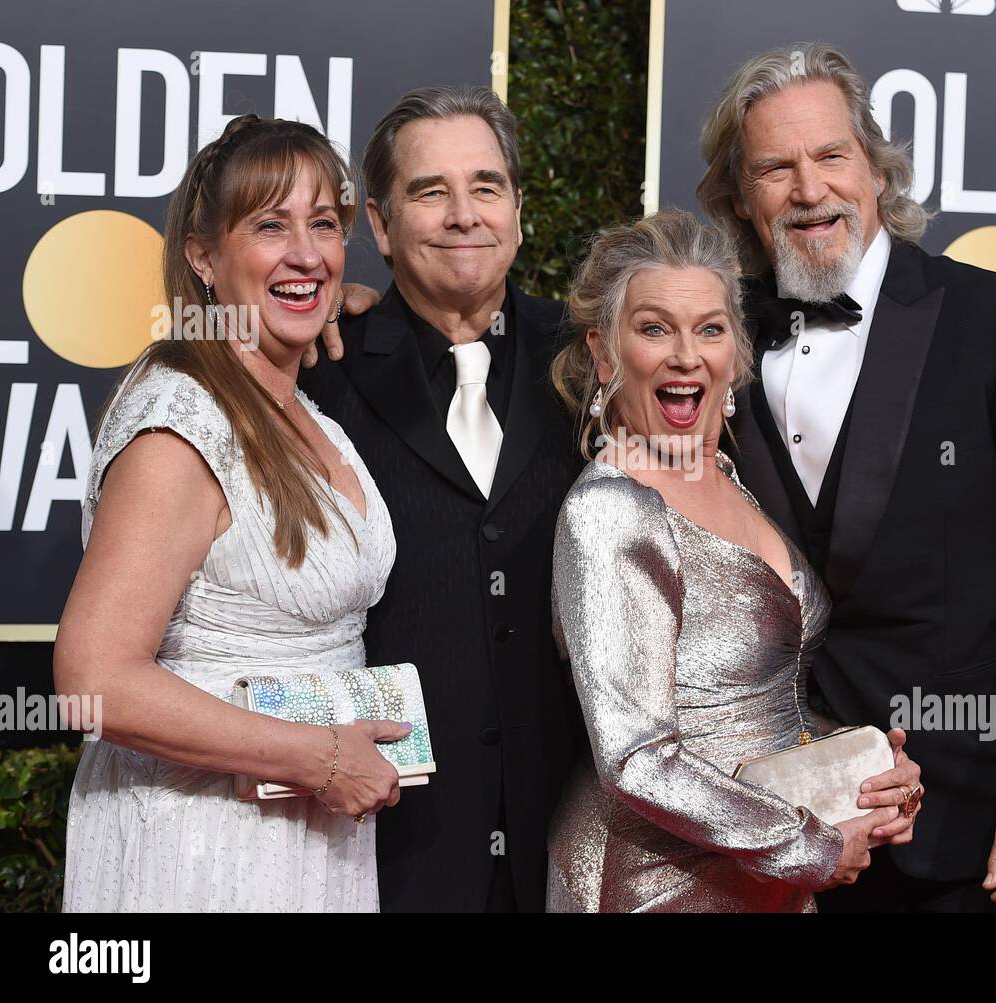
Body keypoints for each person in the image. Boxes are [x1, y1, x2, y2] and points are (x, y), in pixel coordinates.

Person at [698, 43, 996, 912]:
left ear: (876, 167)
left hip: (962, 837)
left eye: (831, 156)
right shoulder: (708, 331)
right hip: (770, 828)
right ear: (742, 197)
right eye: (776, 168)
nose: (809, 189)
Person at [55, 114, 409, 912]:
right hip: (198, 849)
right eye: (270, 225)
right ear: (202, 255)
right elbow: (93, 681)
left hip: (310, 842)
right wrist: (316, 758)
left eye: (324, 224)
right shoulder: (181, 424)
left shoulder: (301, 407)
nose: (307, 253)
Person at [544, 209, 922, 912]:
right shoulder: (611, 511)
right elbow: (636, 759)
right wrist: (808, 843)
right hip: (656, 883)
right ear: (604, 353)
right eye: (655, 328)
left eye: (710, 328)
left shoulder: (730, 475)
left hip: (762, 872)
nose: (687, 355)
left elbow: (758, 710)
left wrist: (865, 766)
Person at [297, 86, 581, 912]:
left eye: (486, 187)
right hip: (389, 846)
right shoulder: (319, 373)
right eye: (431, 192)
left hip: (570, 844)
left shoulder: (594, 358)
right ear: (380, 227)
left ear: (519, 212)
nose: (464, 214)